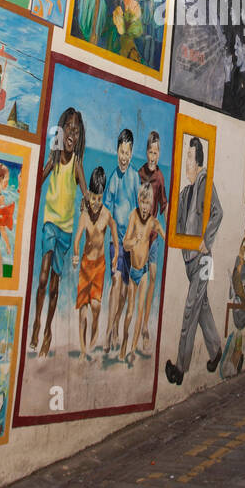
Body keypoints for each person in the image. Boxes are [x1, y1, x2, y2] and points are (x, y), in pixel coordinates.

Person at [165, 136, 223, 385]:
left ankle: (180, 368)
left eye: (189, 157)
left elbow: (218, 213)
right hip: (190, 261)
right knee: (203, 307)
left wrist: (205, 241)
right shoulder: (186, 192)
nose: (186, 162)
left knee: (191, 309)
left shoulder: (205, 182)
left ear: (198, 161)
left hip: (203, 261)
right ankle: (216, 350)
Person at [30, 107, 87, 357]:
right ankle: (36, 324)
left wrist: (87, 202)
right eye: (69, 129)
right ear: (62, 131)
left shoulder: (77, 164)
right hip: (50, 222)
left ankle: (48, 330)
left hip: (65, 229)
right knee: (42, 277)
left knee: (54, 285)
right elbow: (37, 181)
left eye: (77, 130)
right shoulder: (54, 158)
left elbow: (85, 192)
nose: (72, 134)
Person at [73, 166, 117, 362]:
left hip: (99, 265)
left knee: (96, 306)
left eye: (99, 199)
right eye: (93, 198)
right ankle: (83, 350)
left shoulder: (106, 214)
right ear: (88, 195)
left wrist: (115, 255)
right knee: (83, 311)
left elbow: (114, 230)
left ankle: (96, 325)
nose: (96, 203)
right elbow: (77, 240)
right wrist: (75, 255)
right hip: (85, 266)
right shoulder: (84, 216)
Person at [102, 129, 140, 353]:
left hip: (130, 245)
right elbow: (108, 210)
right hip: (115, 243)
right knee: (116, 283)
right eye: (120, 151)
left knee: (125, 292)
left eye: (127, 152)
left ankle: (116, 324)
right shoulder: (113, 178)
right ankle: (108, 332)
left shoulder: (135, 177)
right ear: (116, 150)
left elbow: (138, 212)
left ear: (132, 152)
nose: (123, 157)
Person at [120, 183, 165, 362]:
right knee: (130, 312)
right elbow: (125, 243)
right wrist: (134, 241)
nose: (145, 207)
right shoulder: (134, 216)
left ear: (152, 204)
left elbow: (165, 234)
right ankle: (124, 341)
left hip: (144, 272)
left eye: (148, 203)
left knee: (139, 312)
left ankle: (132, 349)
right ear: (138, 201)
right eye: (142, 202)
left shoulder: (153, 222)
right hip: (133, 272)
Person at [133, 131, 167, 353]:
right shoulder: (140, 173)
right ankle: (134, 322)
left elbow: (163, 204)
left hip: (153, 236)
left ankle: (145, 324)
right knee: (138, 280)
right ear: (146, 152)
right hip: (140, 236)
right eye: (150, 152)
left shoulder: (160, 178)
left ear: (159, 153)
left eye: (156, 152)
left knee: (152, 277)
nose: (153, 156)